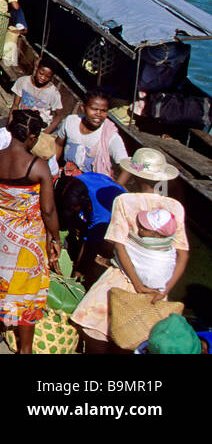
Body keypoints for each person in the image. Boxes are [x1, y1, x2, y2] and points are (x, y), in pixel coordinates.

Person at [70, 148, 187, 354]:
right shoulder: (175, 207)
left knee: (98, 331)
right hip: (158, 287)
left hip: (124, 278)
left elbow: (119, 246)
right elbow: (182, 255)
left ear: (134, 174)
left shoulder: (125, 201)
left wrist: (138, 284)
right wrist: (166, 289)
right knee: (137, 337)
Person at [0, 109, 59, 351]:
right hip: (27, 237)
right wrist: (55, 237)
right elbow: (48, 210)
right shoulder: (38, 167)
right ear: (32, 137)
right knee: (26, 291)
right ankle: (25, 349)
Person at [55, 88, 129, 181]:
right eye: (94, 109)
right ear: (83, 108)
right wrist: (52, 168)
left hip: (93, 184)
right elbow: (58, 144)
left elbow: (126, 169)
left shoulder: (110, 135)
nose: (99, 114)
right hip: (67, 177)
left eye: (103, 110)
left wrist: (115, 188)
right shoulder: (71, 122)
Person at [12, 63, 70, 134]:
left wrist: (45, 133)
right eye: (41, 73)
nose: (43, 78)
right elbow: (15, 105)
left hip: (39, 127)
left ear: (52, 77)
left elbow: (59, 116)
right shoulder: (23, 81)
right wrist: (10, 123)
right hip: (22, 120)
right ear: (36, 68)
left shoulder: (53, 93)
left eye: (48, 76)